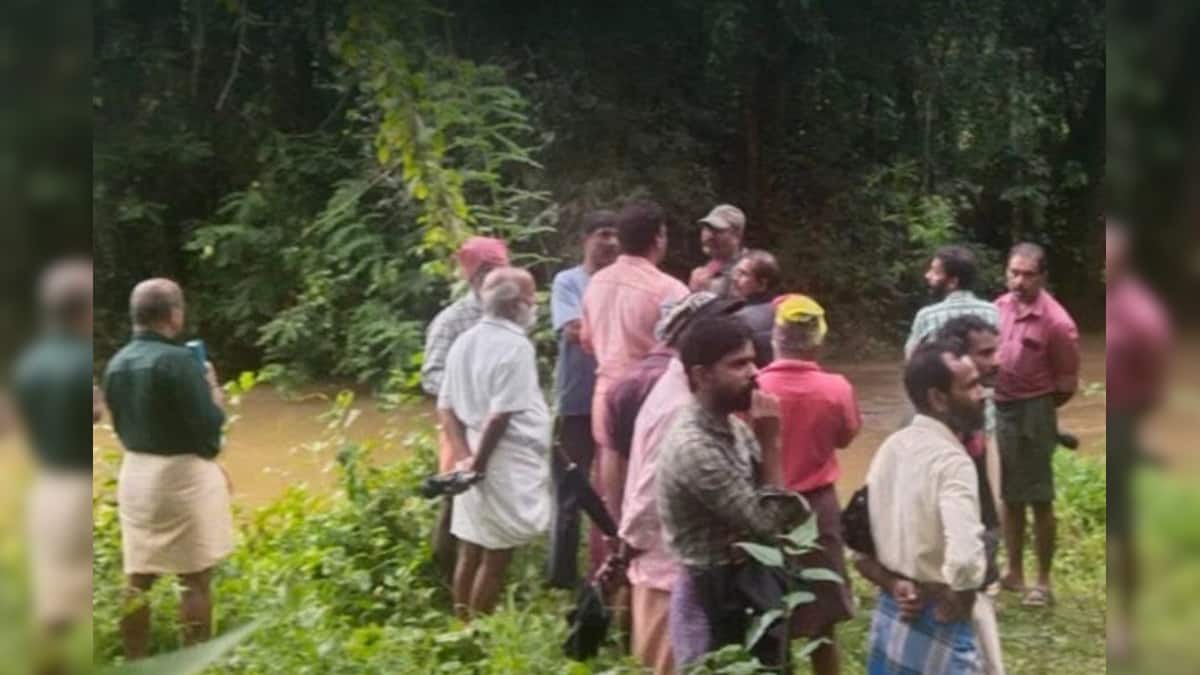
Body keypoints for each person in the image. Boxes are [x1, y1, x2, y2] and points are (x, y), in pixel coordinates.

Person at [657, 316, 809, 670]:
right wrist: (771, 441)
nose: (754, 372)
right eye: (738, 364)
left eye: (753, 360)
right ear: (700, 375)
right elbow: (767, 523)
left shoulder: (731, 427)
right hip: (713, 591)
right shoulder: (695, 446)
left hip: (742, 582)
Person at [612, 293, 744, 674]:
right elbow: (648, 493)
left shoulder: (687, 395)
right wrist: (627, 549)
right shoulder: (679, 409)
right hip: (668, 570)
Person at [103, 278, 230, 659]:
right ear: (174, 315)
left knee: (138, 578)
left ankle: (135, 660)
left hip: (136, 475)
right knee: (194, 580)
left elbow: (120, 425)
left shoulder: (116, 364)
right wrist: (215, 396)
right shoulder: (179, 362)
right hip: (180, 479)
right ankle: (192, 661)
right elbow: (208, 428)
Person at [861, 342, 988, 674]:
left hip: (895, 608)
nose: (983, 393)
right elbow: (963, 559)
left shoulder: (891, 447)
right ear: (938, 399)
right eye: (971, 386)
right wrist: (963, 597)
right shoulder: (952, 462)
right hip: (938, 611)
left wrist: (891, 583)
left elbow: (859, 537)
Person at [437, 267, 552, 619]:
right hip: (499, 460)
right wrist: (479, 465)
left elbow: (445, 408)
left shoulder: (465, 341)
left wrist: (463, 459)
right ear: (518, 305)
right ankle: (477, 633)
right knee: (495, 554)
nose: (535, 304)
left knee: (470, 548)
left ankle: (462, 626)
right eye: (532, 297)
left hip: (475, 452)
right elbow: (500, 416)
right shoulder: (516, 347)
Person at [581, 200, 688, 572]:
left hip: (605, 392)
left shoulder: (595, 282)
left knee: (611, 493)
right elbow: (682, 350)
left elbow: (587, 340)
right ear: (658, 238)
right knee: (649, 489)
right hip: (651, 397)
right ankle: (647, 581)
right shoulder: (670, 289)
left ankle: (608, 578)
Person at [756, 294, 859, 675]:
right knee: (823, 621)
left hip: (763, 509)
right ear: (818, 341)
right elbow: (847, 438)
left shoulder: (754, 388)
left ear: (774, 338)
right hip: (817, 512)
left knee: (768, 615)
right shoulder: (837, 389)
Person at [11, 259, 95, 655]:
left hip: (45, 487)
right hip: (80, 485)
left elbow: (14, 423)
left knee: (52, 600)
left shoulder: (28, 363)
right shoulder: (82, 362)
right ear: (85, 309)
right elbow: (94, 414)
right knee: (80, 598)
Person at [994, 243, 1080, 608]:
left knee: (1039, 499)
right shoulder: (998, 308)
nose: (1019, 281)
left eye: (1028, 274)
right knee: (1010, 497)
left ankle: (1043, 582)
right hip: (1000, 408)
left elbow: (1066, 384)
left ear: (1042, 277)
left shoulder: (1058, 323)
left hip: (1035, 410)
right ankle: (1014, 572)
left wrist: (1041, 413)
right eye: (1014, 272)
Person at [422, 236, 510, 578]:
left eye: (503, 270)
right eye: (490, 271)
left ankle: (488, 580)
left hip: (502, 426)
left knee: (496, 495)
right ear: (474, 276)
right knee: (455, 501)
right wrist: (471, 395)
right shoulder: (452, 321)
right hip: (460, 425)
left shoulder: (512, 314)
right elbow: (431, 375)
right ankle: (444, 580)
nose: (499, 278)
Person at [1104, 220, 1171, 660]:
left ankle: (1127, 620)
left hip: (1124, 422)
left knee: (1123, 531)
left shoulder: (1141, 313)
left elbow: (1154, 381)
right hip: (1112, 420)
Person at [547, 211, 620, 589]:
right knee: (569, 486)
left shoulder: (620, 282)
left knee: (614, 488)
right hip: (576, 399)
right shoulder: (569, 281)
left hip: (615, 404)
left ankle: (610, 571)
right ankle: (561, 576)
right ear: (586, 239)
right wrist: (620, 333)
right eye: (602, 234)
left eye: (615, 236)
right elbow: (573, 330)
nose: (609, 242)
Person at [905, 245, 999, 358]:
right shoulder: (993, 311)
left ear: (953, 282)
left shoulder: (926, 316)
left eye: (935, 272)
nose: (927, 275)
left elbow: (911, 359)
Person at [730, 250, 782, 366]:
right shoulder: (785, 308)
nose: (734, 278)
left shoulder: (740, 318)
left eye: (743, 274)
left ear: (762, 284)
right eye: (736, 272)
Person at [688, 204, 747, 297]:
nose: (709, 236)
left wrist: (701, 295)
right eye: (707, 228)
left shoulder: (748, 272)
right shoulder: (710, 267)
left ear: (737, 235)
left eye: (718, 231)